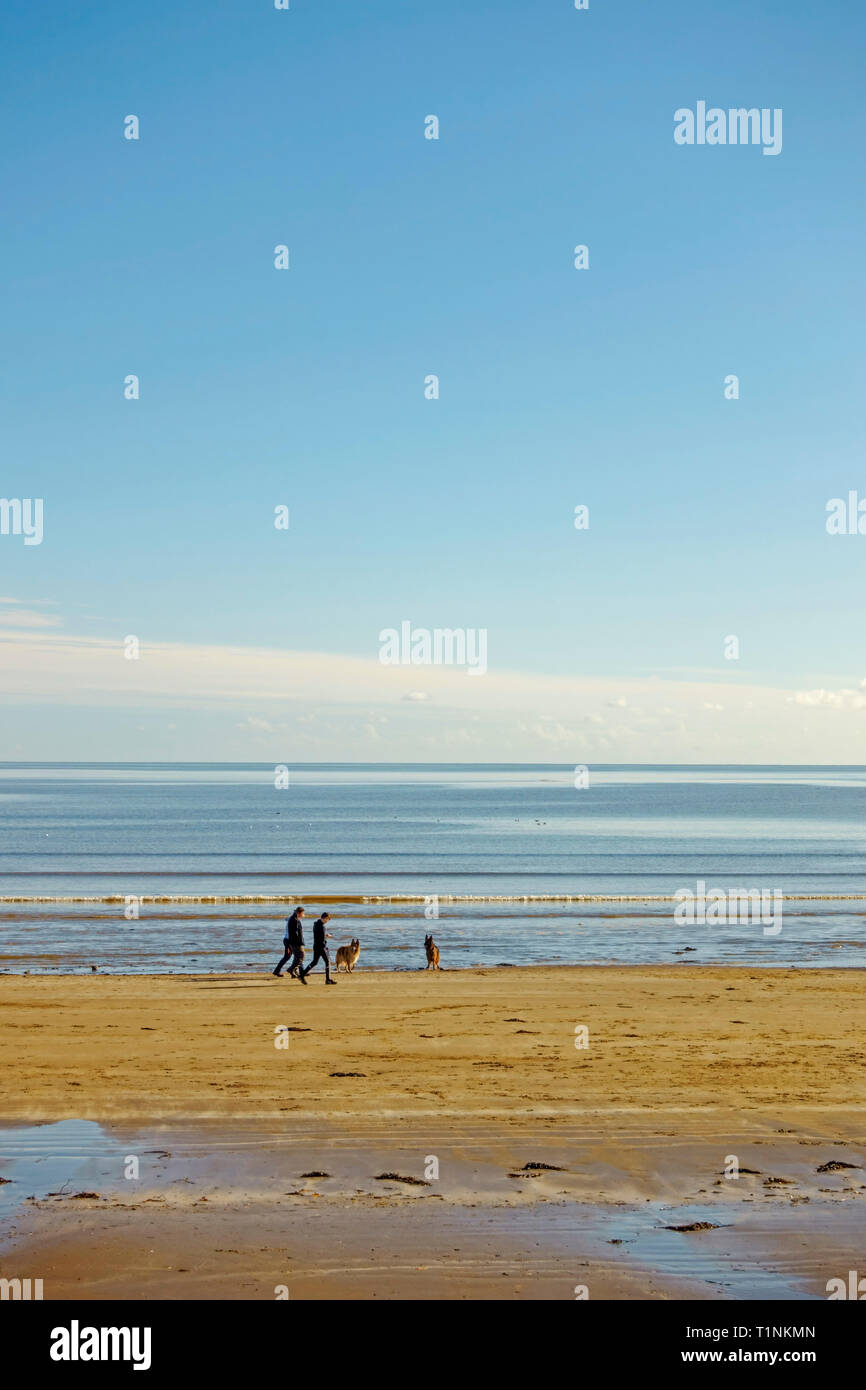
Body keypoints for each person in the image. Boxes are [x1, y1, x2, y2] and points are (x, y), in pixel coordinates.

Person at [300, 912, 336, 984]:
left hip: (316, 946)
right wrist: (327, 939)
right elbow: (322, 940)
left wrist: (325, 935)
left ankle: (302, 974)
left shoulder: (316, 924)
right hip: (321, 947)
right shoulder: (322, 926)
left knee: (314, 962)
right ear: (325, 918)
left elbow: (319, 935)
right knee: (328, 962)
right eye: (327, 919)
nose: (327, 921)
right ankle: (328, 979)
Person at [273, 906, 305, 978]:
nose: (303, 915)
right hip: (288, 940)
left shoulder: (292, 919)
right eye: (302, 913)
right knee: (296, 956)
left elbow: (286, 919)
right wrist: (288, 946)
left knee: (293, 956)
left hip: (288, 940)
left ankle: (278, 971)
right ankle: (299, 971)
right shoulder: (293, 920)